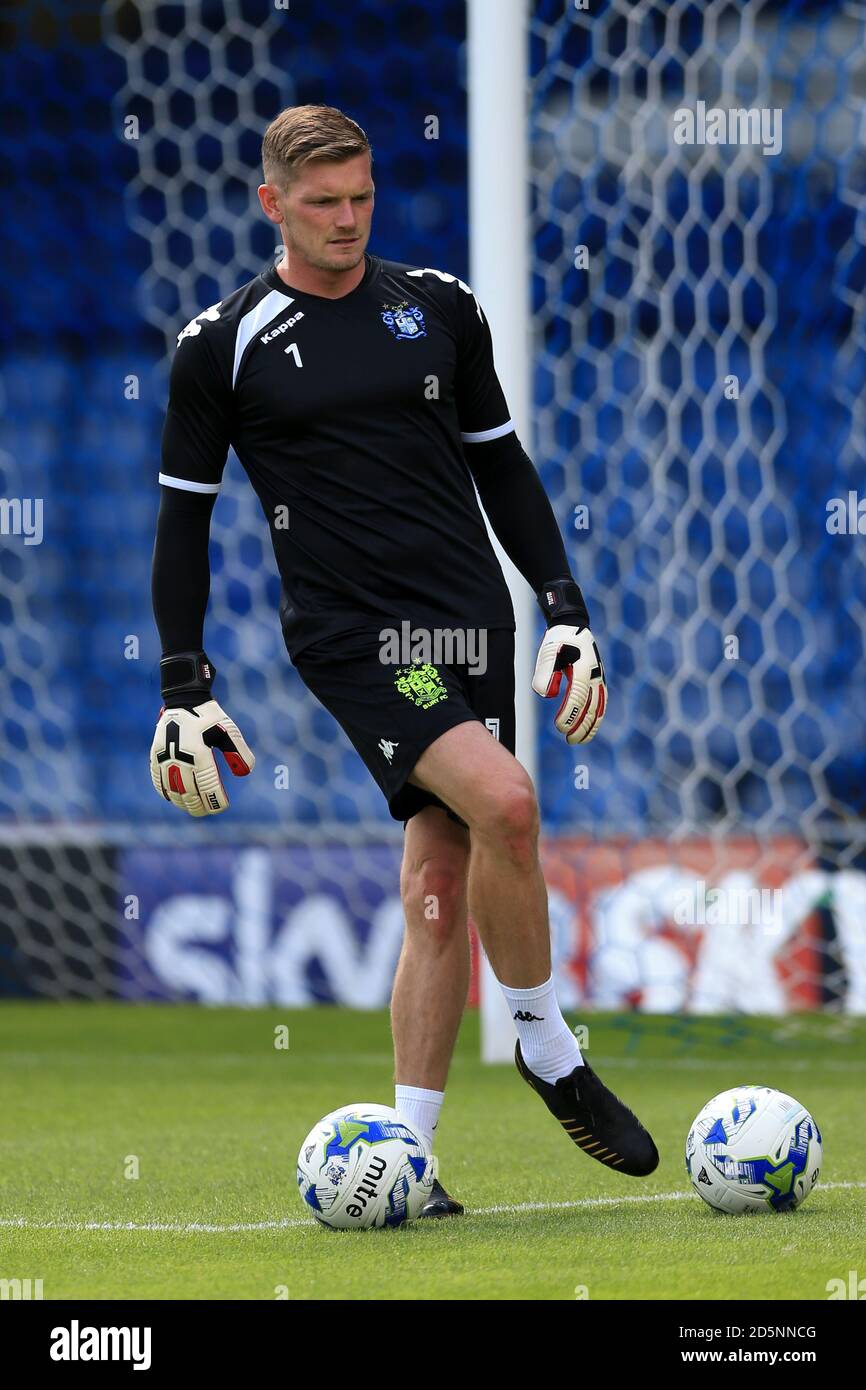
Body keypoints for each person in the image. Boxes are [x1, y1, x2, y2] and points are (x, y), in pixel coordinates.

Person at [150, 104, 658, 1215]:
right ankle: (545, 1045)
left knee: (437, 880)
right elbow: (181, 523)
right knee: (506, 803)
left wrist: (562, 606)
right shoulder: (218, 345)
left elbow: (503, 468)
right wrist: (183, 682)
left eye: (361, 197)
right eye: (322, 202)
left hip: (471, 618)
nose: (346, 220)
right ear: (271, 202)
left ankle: (408, 1163)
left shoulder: (437, 308)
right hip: (355, 634)